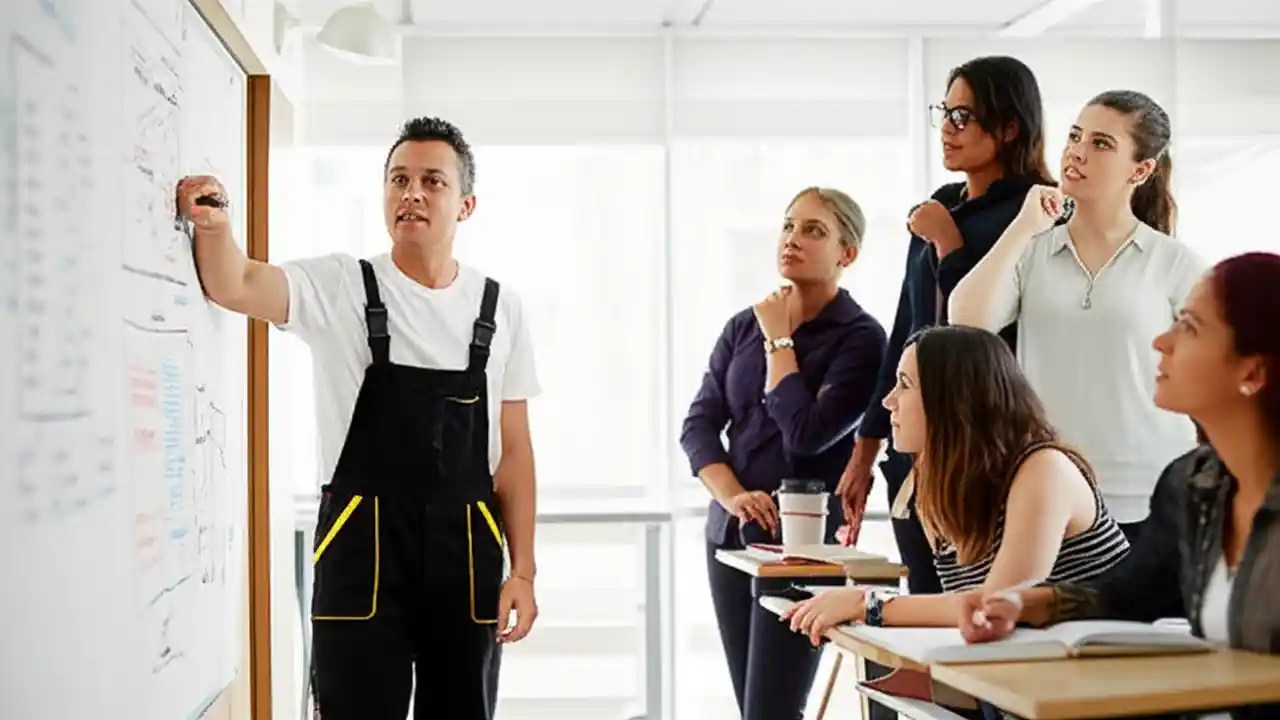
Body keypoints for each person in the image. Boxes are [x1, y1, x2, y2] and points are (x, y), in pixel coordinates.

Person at [176, 116, 541, 720]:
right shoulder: (342, 285)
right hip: (361, 548)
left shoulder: (499, 310)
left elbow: (516, 453)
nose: (412, 194)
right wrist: (213, 223)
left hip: (467, 554)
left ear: (466, 204)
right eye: (398, 179)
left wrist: (523, 572)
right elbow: (234, 282)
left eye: (431, 181)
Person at [957, 252, 1280, 720]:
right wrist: (1021, 602)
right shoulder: (1192, 484)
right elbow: (1129, 595)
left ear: (1252, 372)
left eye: (1189, 327)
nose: (1162, 341)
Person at [950, 90, 1206, 543]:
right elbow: (967, 324)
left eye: (1102, 143)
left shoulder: (1174, 262)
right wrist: (1024, 226)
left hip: (1154, 494)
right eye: (1075, 136)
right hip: (1053, 491)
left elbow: (1215, 372)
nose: (1077, 152)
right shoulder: (1032, 251)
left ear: (1141, 170)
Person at [840, 55, 1054, 595]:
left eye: (963, 117)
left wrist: (948, 245)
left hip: (981, 447)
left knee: (974, 609)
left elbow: (985, 331)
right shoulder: (941, 207)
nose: (946, 130)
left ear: (1008, 127)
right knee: (926, 609)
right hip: (913, 448)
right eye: (945, 114)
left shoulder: (1036, 212)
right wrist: (866, 449)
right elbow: (907, 329)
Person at [782, 326, 1129, 645]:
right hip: (1031, 685)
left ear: (954, 398)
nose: (889, 401)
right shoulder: (937, 481)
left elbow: (992, 607)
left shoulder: (1044, 470)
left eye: (904, 383)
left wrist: (866, 604)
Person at [679, 187, 886, 720]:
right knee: (753, 706)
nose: (793, 239)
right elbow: (699, 425)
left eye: (813, 231)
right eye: (789, 225)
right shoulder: (741, 326)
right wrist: (733, 496)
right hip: (731, 537)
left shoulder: (861, 339)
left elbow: (806, 433)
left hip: (804, 546)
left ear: (847, 254)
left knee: (773, 709)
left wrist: (780, 343)